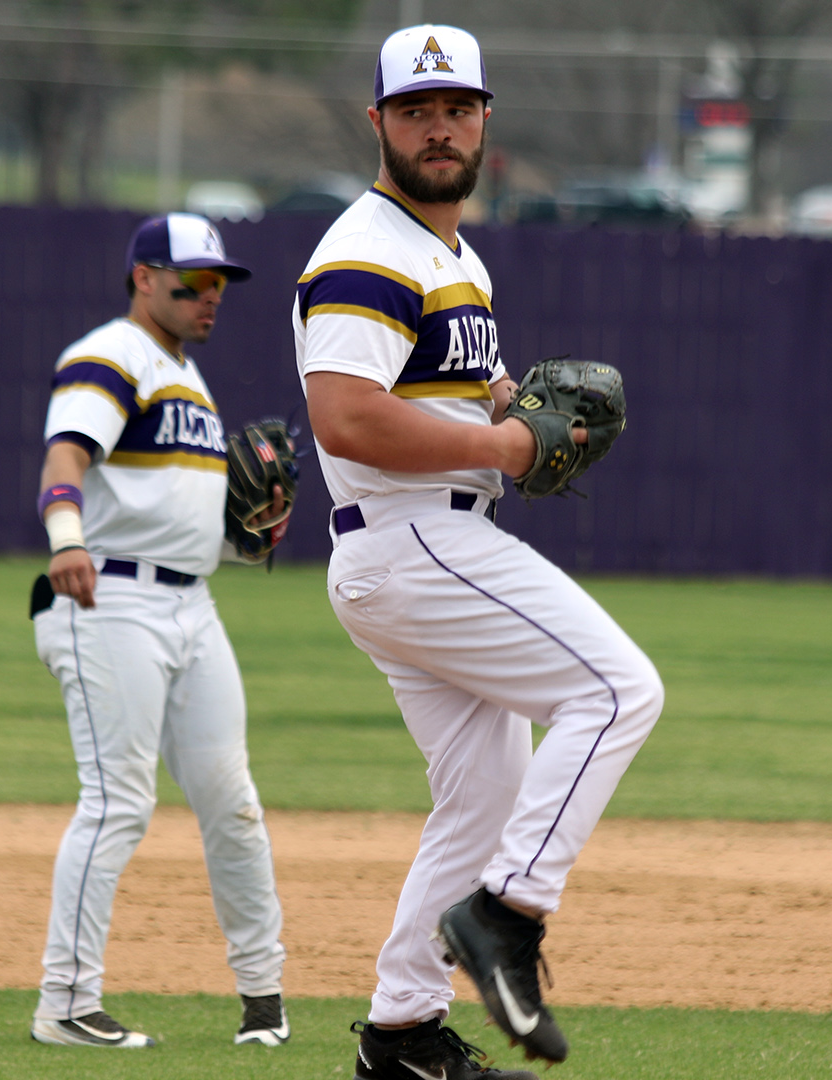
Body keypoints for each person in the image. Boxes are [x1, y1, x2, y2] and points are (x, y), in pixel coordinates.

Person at [293, 26, 665, 1080]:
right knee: (617, 691)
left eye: (457, 108)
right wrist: (503, 444)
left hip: (421, 544)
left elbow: (455, 394)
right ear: (378, 123)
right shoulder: (365, 252)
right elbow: (344, 417)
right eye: (416, 111)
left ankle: (402, 1037)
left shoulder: (454, 257)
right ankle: (508, 916)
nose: (439, 128)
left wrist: (507, 406)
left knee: (486, 796)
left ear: (485, 120)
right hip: (414, 535)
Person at [29, 212, 290, 1051]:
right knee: (118, 803)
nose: (211, 297)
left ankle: (263, 1000)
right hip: (110, 600)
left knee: (232, 802)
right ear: (144, 279)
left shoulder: (188, 378)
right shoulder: (112, 355)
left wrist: (250, 540)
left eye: (219, 284)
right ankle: (65, 1004)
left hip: (190, 603)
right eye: (194, 283)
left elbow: (187, 526)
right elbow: (66, 457)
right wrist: (66, 539)